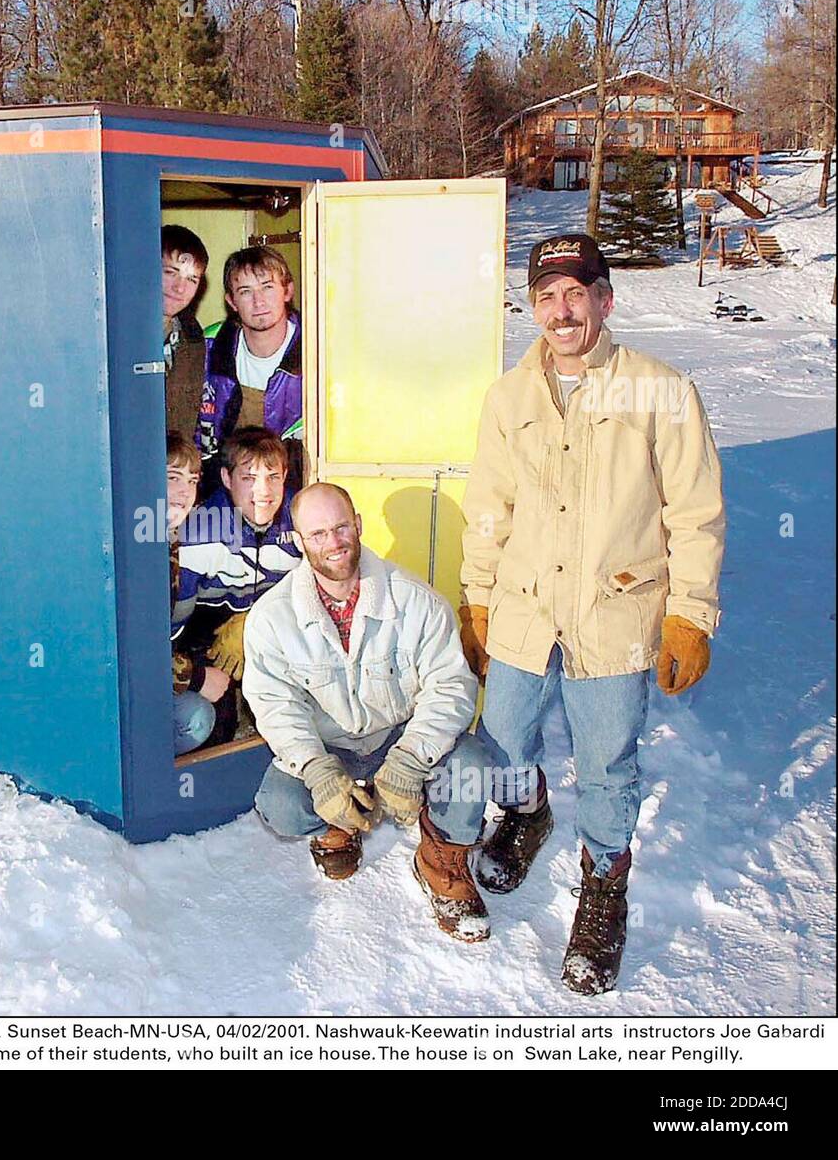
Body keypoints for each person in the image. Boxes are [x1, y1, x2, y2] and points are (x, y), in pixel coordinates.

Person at [460, 232, 725, 994]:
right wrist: (478, 598)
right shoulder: (509, 397)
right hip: (523, 604)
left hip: (613, 610)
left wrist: (690, 615)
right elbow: (488, 507)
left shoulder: (660, 390)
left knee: (608, 764)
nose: (562, 309)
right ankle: (529, 813)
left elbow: (697, 513)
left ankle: (604, 885)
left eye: (577, 292)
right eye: (546, 296)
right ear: (532, 308)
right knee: (502, 740)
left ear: (604, 300)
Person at [243, 483, 504, 941]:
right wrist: (318, 771)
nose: (334, 542)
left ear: (358, 525)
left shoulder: (417, 601)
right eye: (318, 533)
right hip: (332, 749)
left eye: (342, 526)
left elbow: (452, 686)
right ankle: (337, 822)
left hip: (398, 737)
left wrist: (410, 758)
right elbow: (274, 704)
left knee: (472, 766)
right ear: (300, 540)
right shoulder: (271, 617)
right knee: (280, 805)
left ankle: (441, 858)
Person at [173, 427, 302, 741]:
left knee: (294, 719)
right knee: (214, 726)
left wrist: (254, 622)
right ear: (227, 479)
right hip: (208, 645)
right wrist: (197, 674)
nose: (263, 491)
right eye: (249, 478)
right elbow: (170, 630)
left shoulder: (299, 518)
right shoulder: (198, 532)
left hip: (274, 637)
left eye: (273, 476)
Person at [197, 246, 303, 492]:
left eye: (267, 287)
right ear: (231, 301)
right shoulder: (209, 346)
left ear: (288, 290)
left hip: (296, 489)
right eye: (245, 292)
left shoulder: (316, 349)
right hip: (224, 488)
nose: (258, 301)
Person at [166, 432, 230, 754]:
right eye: (172, 478)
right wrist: (195, 677)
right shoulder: (128, 546)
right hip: (109, 695)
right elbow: (127, 656)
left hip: (161, 672)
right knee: (195, 717)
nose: (184, 492)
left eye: (191, 481)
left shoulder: (176, 540)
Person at [162, 225, 209, 442]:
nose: (179, 288)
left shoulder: (194, 341)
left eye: (192, 279)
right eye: (170, 273)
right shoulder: (113, 336)